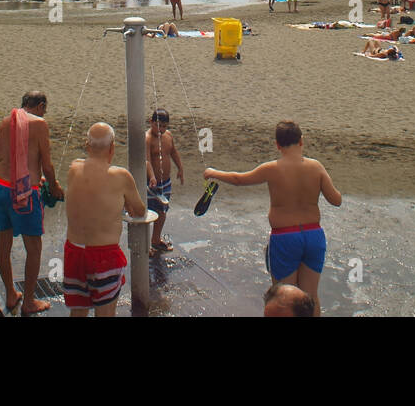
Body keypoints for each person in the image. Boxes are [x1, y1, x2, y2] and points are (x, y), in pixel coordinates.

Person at [204, 121, 342, 316]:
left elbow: (238, 179)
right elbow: (336, 200)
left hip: (285, 236)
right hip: (314, 235)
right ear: (301, 141)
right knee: (310, 296)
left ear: (277, 144)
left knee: (283, 298)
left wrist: (213, 172)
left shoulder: (271, 168)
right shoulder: (316, 166)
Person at [0, 91, 62, 315]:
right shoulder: (39, 123)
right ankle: (29, 301)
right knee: (34, 248)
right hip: (24, 191)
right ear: (40, 106)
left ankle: (10, 293)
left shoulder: (5, 121)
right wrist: (55, 186)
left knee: (4, 244)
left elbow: (3, 157)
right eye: (44, 109)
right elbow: (46, 164)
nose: (44, 113)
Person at [63, 123, 146, 317]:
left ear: (87, 145)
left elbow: (91, 198)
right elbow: (140, 209)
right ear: (112, 147)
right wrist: (124, 204)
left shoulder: (74, 168)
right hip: (104, 255)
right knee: (106, 311)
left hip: (75, 250)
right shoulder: (121, 176)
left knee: (78, 310)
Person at [146, 109, 184, 252]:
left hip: (165, 182)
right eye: (157, 125)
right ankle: (145, 245)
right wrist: (152, 176)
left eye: (164, 126)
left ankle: (156, 239)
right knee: (146, 211)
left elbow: (173, 152)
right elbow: (147, 160)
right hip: (151, 183)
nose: (161, 129)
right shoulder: (148, 139)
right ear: (151, 122)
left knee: (162, 211)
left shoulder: (168, 136)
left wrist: (180, 168)